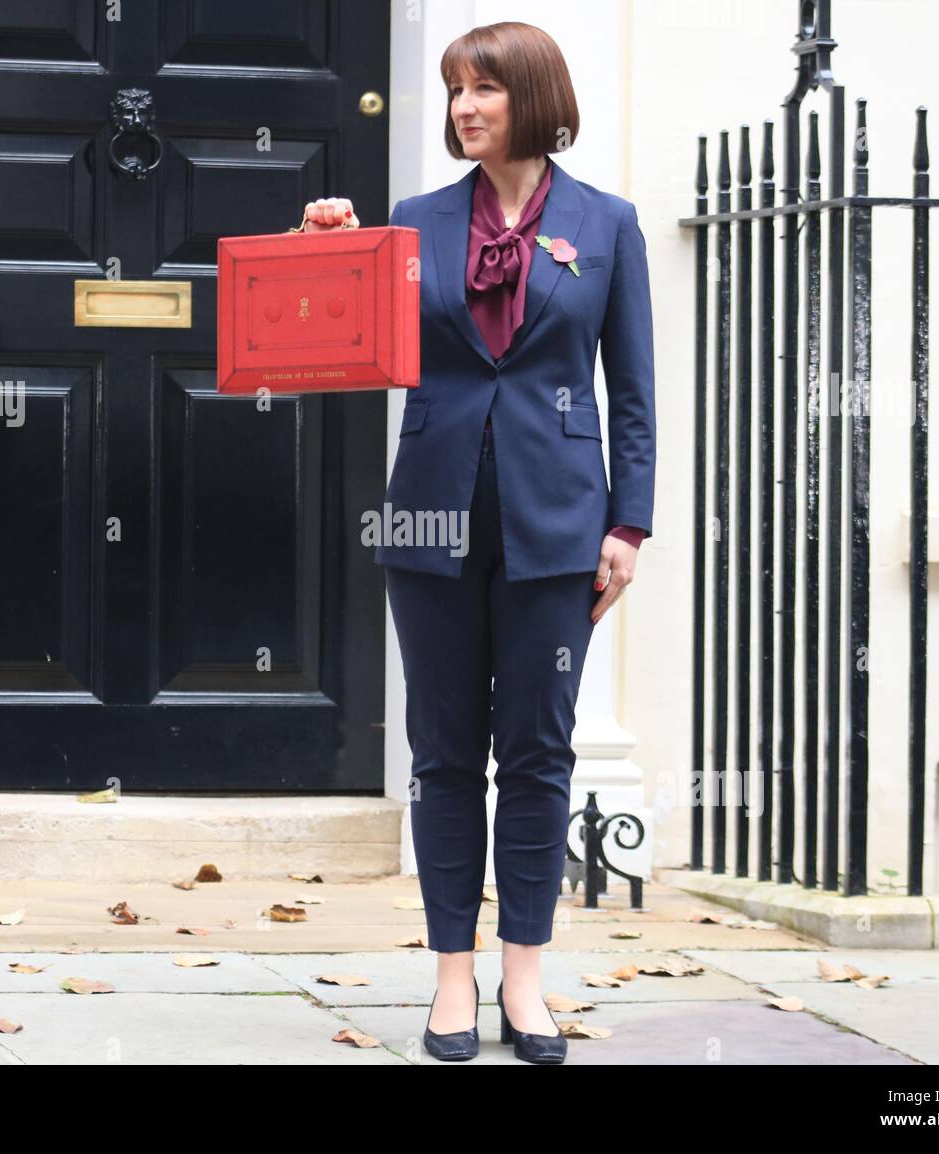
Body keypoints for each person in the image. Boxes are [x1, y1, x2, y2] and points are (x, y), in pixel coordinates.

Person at [298, 21, 654, 1064]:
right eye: (455, 88)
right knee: (445, 751)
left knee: (538, 753)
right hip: (432, 519)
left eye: (484, 89)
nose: (463, 106)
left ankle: (524, 978)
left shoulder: (606, 223)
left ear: (533, 98)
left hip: (558, 524)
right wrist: (330, 246)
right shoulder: (414, 224)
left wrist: (626, 523)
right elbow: (336, 332)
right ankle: (452, 975)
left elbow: (629, 392)